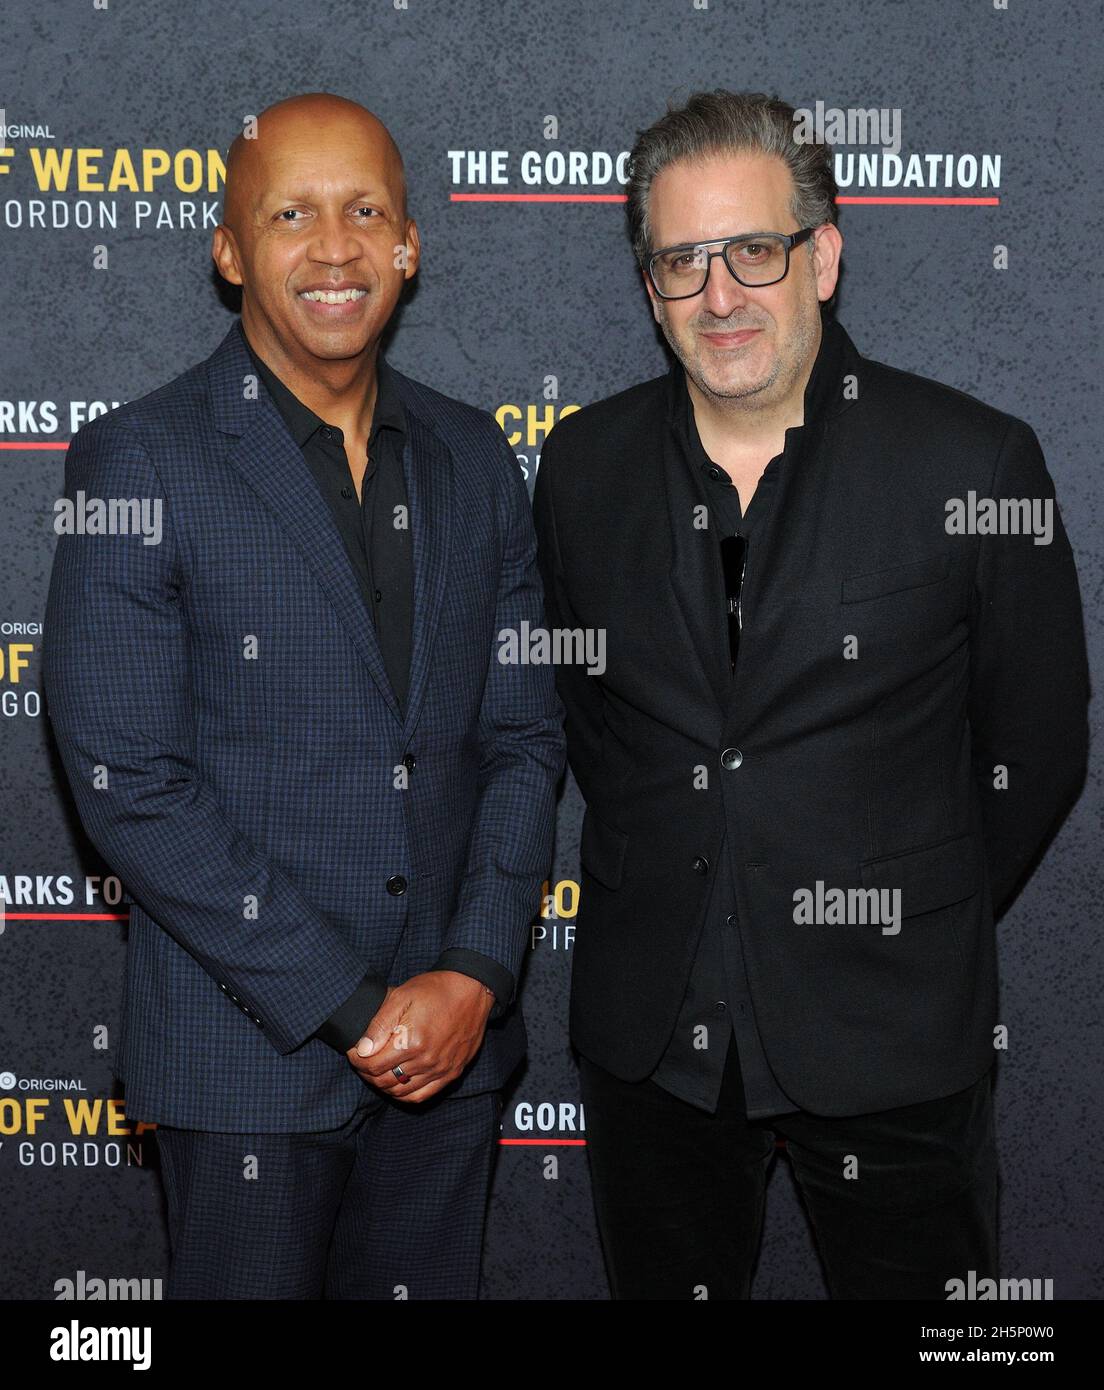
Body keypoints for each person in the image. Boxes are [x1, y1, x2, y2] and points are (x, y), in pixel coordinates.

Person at [532, 88, 1089, 1300]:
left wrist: (911, 907)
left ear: (822, 257)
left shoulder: (974, 462)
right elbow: (594, 721)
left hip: (894, 1037)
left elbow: (1037, 747)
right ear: (650, 287)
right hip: (653, 1042)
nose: (720, 293)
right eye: (682, 261)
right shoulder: (582, 466)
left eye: (754, 250)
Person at [43, 92, 564, 1300]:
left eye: (364, 210)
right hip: (246, 1056)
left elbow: (525, 738)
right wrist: (351, 1006)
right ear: (230, 251)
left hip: (453, 1059)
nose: (335, 247)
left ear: (410, 243)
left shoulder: (476, 456)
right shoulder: (140, 459)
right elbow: (130, 781)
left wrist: (476, 973)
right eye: (291, 214)